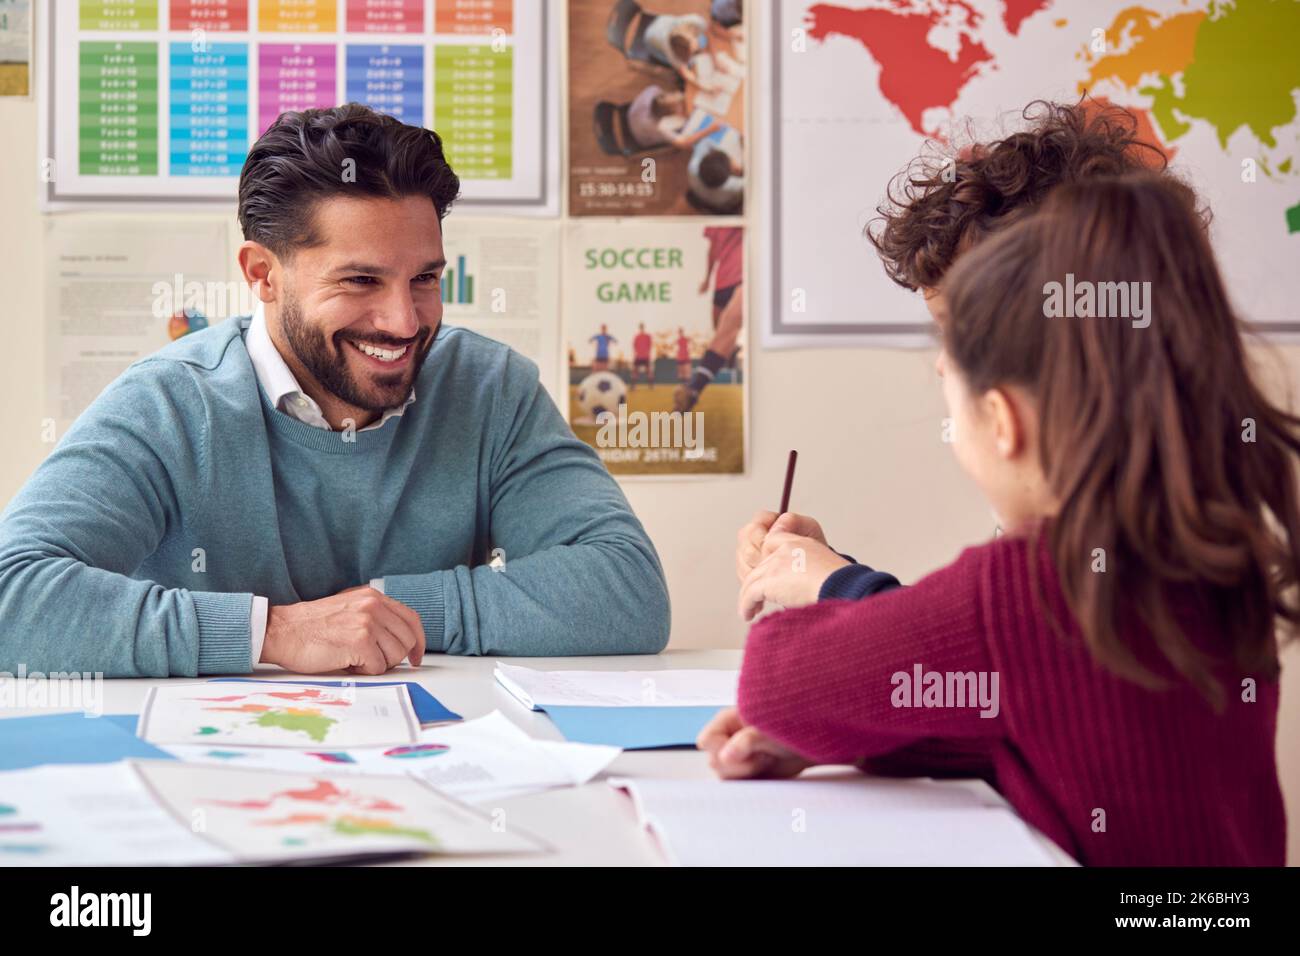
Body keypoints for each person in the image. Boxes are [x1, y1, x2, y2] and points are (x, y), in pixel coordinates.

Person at [703, 172, 1293, 866]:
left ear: (1002, 419)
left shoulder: (1027, 584)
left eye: (950, 396)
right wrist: (844, 739)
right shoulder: (1206, 554)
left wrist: (825, 591)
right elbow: (1025, 727)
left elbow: (775, 682)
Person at [0, 104, 670, 679]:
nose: (405, 322)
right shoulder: (169, 406)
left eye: (425, 280)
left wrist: (386, 610)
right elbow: (13, 595)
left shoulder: (491, 389)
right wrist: (273, 632)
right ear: (263, 274)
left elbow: (627, 590)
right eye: (360, 282)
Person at [675, 226, 742, 412]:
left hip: (746, 276)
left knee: (730, 322)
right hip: (723, 280)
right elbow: (714, 248)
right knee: (719, 333)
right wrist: (707, 278)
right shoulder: (719, 211)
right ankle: (730, 350)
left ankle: (693, 390)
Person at [626, 84, 720, 151]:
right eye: (678, 109)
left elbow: (677, 97)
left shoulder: (653, 90)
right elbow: (683, 144)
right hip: (641, 136)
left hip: (633, 114)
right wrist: (710, 129)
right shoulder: (659, 128)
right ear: (668, 120)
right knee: (689, 128)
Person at [631, 323, 654, 390]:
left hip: (646, 356)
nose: (641, 328)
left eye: (642, 327)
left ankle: (651, 385)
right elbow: (634, 346)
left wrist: (647, 353)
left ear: (644, 327)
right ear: (639, 328)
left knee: (649, 371)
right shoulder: (637, 336)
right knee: (635, 371)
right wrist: (636, 353)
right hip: (638, 356)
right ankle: (633, 386)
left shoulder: (648, 336)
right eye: (641, 327)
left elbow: (650, 345)